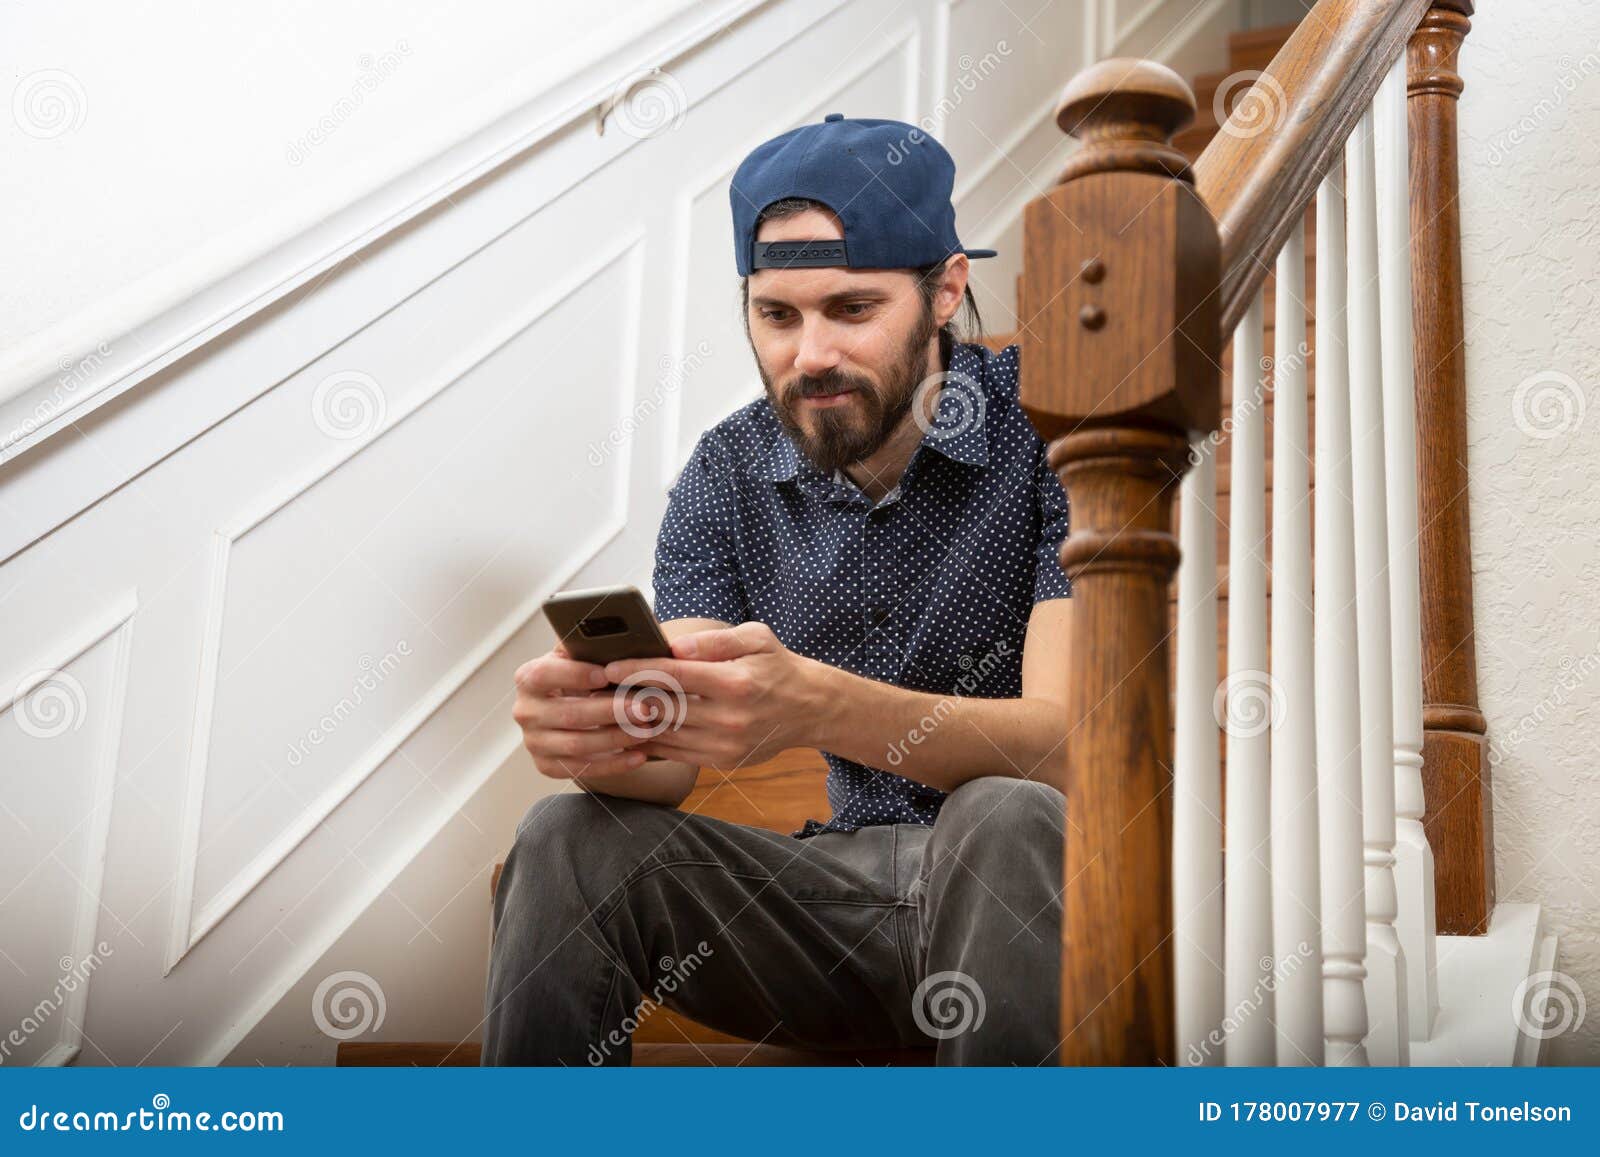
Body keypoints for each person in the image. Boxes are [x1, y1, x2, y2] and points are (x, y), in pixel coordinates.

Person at [483, 113, 1072, 1066]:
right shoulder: (724, 471)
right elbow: (666, 765)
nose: (810, 356)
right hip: (834, 897)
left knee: (1001, 812)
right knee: (564, 837)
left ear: (947, 287)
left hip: (1033, 887)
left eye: (851, 308)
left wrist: (820, 706)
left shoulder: (1052, 425)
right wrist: (598, 736)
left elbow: (1070, 752)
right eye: (777, 315)